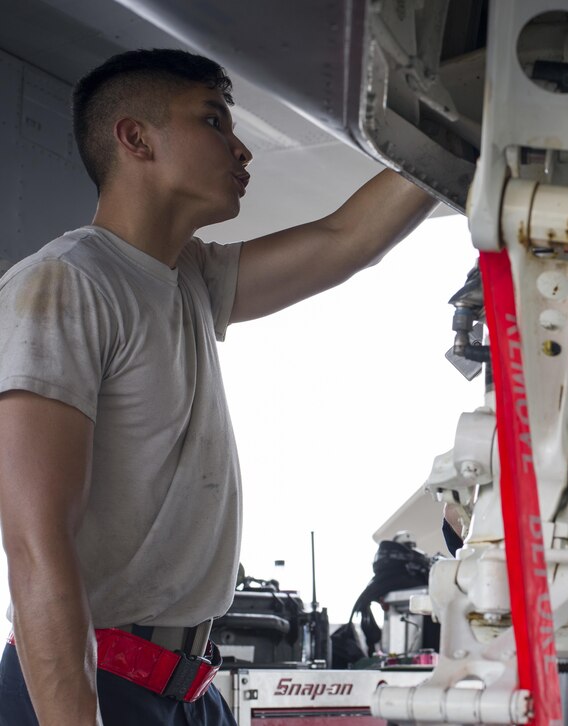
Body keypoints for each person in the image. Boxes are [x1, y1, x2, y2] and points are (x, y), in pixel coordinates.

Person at [0, 49, 436, 725]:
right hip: (89, 687)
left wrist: (469, 138)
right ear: (135, 138)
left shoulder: (190, 280)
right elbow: (36, 542)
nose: (241, 149)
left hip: (187, 692)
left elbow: (345, 238)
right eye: (213, 121)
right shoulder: (66, 284)